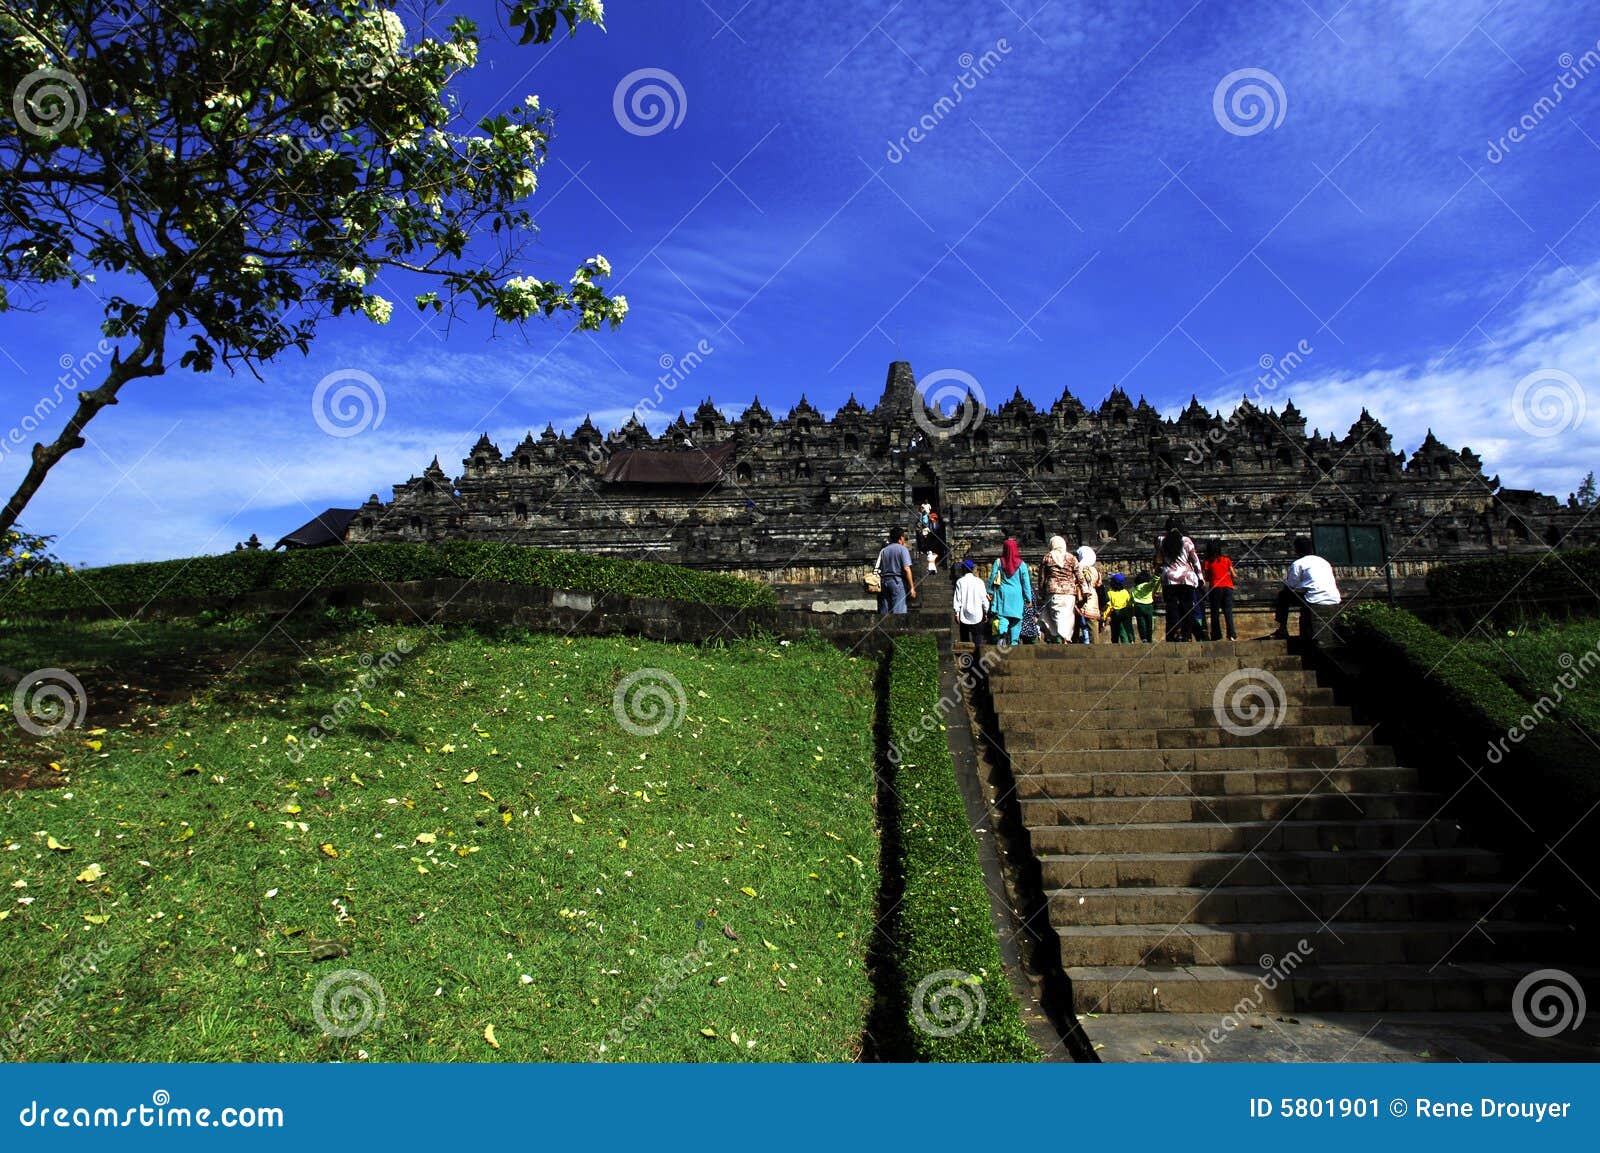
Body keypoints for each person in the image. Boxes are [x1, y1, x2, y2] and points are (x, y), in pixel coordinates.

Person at [1273, 536, 1342, 638]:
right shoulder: (1324, 562)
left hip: (1314, 598)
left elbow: (1290, 586)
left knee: (1283, 595)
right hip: (1334, 598)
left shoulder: (1298, 564)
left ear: (1296, 550)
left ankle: (1282, 628)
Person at [1157, 523, 1206, 642]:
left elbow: (1159, 556)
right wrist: (1200, 576)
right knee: (1187, 607)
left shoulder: (1161, 540)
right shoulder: (1186, 541)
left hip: (1169, 579)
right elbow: (1195, 560)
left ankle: (1173, 633)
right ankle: (1186, 634)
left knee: (1171, 607)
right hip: (1186, 578)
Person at [987, 538, 1033, 645]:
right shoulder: (1022, 565)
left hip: (1002, 593)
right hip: (1017, 595)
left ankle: (1002, 634)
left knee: (1002, 617)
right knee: (1016, 619)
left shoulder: (998, 562)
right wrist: (1028, 598)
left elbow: (992, 578)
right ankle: (1014, 642)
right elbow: (1026, 583)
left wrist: (990, 591)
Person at [1038, 535, 1080, 644]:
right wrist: (1085, 590)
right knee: (1067, 615)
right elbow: (1080, 576)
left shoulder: (1047, 557)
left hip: (1053, 591)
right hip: (1070, 592)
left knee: (1056, 615)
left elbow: (1042, 577)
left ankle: (1060, 637)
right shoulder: (1071, 558)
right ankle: (1065, 637)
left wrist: (1041, 592)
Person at [874, 527, 918, 616]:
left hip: (884, 581)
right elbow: (906, 569)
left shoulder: (884, 550)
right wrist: (912, 587)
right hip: (897, 581)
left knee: (885, 609)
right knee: (899, 610)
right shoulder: (902, 549)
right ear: (901, 538)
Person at [1202, 540, 1238, 641]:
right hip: (1228, 587)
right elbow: (1234, 575)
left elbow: (1206, 578)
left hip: (1215, 587)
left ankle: (1216, 635)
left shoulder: (1207, 562)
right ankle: (1231, 634)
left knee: (1215, 612)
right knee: (1228, 612)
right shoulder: (1226, 560)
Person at [952, 559, 989, 648]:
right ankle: (977, 658)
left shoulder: (960, 581)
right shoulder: (979, 582)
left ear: (963, 569)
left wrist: (957, 613)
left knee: (964, 640)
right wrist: (986, 611)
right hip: (977, 614)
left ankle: (966, 658)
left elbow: (957, 599)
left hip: (964, 614)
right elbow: (984, 599)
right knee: (977, 640)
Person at [1075, 545, 1102, 644]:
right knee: (1093, 626)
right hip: (1093, 599)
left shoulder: (1078, 568)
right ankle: (1096, 649)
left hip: (1079, 598)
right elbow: (1099, 584)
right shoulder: (1095, 570)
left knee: (1075, 625)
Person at [1130, 569, 1159, 643]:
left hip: (1138, 607)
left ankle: (1143, 638)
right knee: (1149, 623)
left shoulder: (1134, 589)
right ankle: (1149, 638)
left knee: (1141, 623)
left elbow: (1131, 599)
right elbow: (1153, 583)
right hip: (1148, 606)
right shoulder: (1147, 586)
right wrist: (1157, 575)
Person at [1105, 573, 1135, 643]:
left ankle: (1117, 645)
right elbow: (1129, 603)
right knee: (1125, 630)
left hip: (1116, 614)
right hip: (1125, 613)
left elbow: (1108, 606)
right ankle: (1129, 642)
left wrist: (1105, 617)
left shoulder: (1110, 593)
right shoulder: (1125, 592)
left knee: (1115, 632)